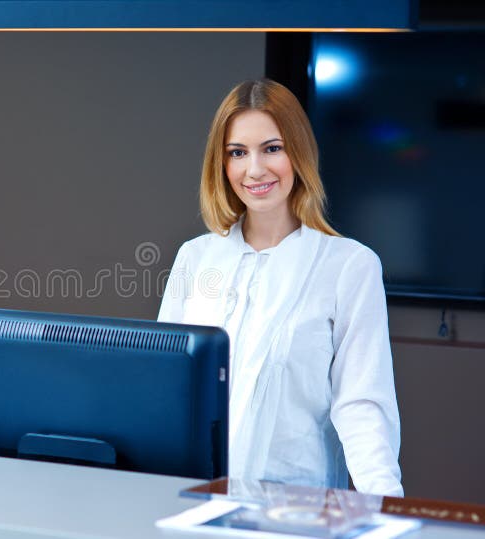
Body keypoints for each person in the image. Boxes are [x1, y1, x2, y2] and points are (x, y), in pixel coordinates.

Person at [158, 79, 403, 497]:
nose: (254, 169)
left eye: (272, 148)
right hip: (195, 498)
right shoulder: (195, 258)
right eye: (237, 152)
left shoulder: (349, 266)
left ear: (299, 153)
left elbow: (362, 404)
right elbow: (166, 389)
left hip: (297, 506)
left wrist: (386, 506)